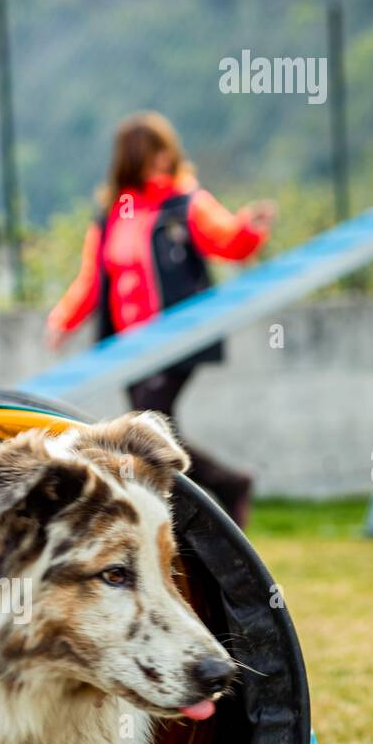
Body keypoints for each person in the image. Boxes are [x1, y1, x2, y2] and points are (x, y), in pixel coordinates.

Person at [46, 111, 275, 526]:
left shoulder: (187, 204)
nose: (162, 162)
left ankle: (188, 510)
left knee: (143, 430)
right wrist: (63, 321)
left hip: (176, 340)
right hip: (131, 349)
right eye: (151, 155)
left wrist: (249, 230)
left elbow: (227, 240)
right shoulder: (111, 216)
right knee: (150, 435)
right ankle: (224, 488)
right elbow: (91, 281)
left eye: (165, 152)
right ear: (131, 161)